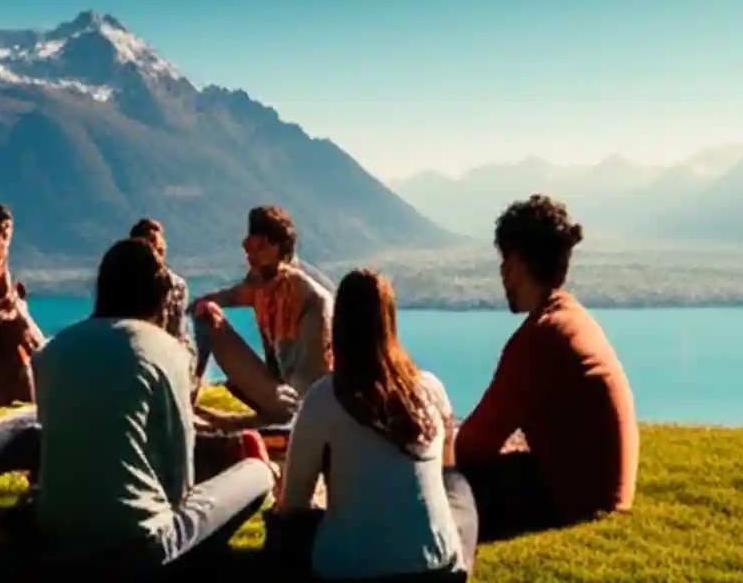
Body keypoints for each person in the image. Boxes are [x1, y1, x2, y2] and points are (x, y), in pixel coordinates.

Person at [29, 238, 276, 577]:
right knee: (258, 473)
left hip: (57, 535)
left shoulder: (51, 353)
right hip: (139, 545)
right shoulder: (167, 351)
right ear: (158, 299)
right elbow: (179, 479)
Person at [268, 269, 476, 581]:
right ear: (390, 324)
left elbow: (295, 504)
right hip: (438, 570)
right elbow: (445, 466)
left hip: (348, 572)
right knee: (457, 488)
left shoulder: (325, 397)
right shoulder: (431, 389)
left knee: (288, 529)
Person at [455, 195, 639, 542]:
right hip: (596, 495)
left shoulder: (541, 337)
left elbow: (471, 447)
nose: (503, 276)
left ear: (517, 265)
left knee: (448, 483)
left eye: (504, 263)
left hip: (575, 504)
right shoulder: (572, 319)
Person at [191, 205, 334, 430]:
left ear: (280, 249)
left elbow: (312, 381)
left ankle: (258, 423)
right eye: (249, 248)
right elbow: (222, 298)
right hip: (277, 392)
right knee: (206, 313)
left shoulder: (310, 299)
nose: (252, 256)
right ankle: (187, 397)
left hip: (303, 402)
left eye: (261, 248)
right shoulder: (260, 286)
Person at [0, 202, 46, 409]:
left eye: (8, 235)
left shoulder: (8, 284)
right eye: (2, 233)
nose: (6, 243)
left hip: (17, 378)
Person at [129, 218, 192, 356]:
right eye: (150, 251)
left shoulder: (176, 286)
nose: (155, 257)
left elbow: (178, 333)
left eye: (160, 251)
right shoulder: (121, 283)